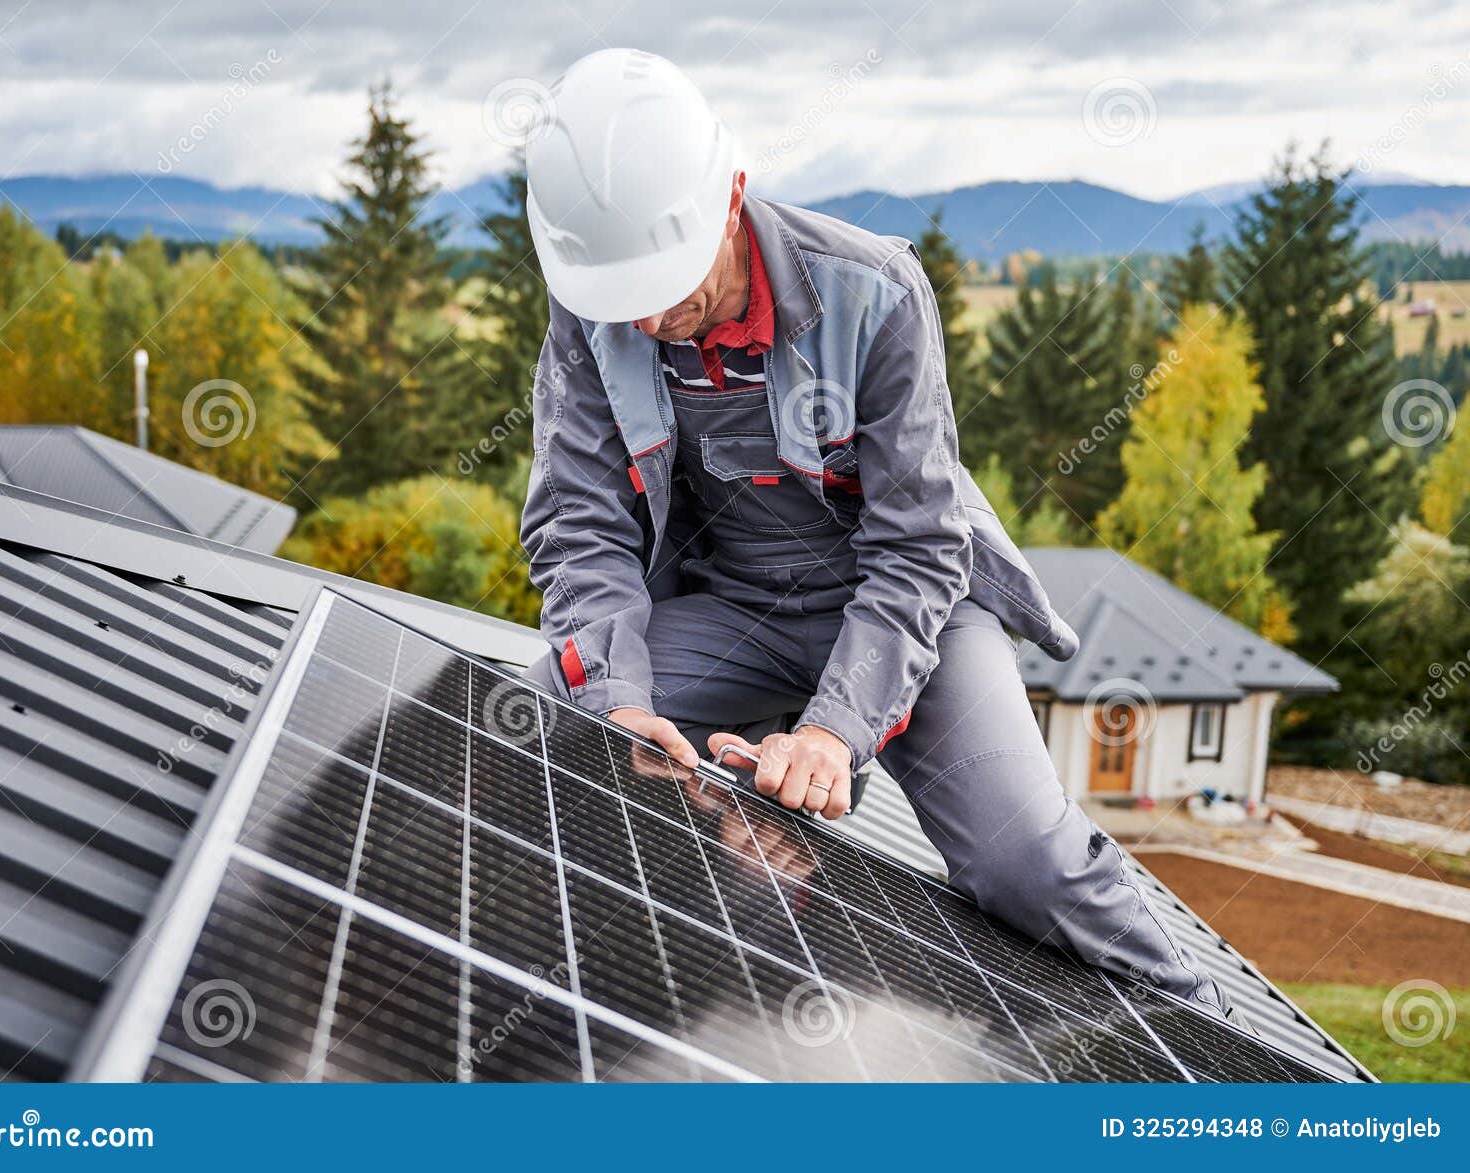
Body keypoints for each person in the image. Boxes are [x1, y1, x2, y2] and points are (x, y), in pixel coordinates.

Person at [518, 48, 1244, 1029]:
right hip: (735, 609)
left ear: (731, 195)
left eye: (668, 281)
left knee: (1022, 860)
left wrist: (834, 729)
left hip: (909, 612)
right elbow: (578, 520)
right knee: (549, 725)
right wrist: (615, 700)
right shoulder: (593, 300)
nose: (648, 317)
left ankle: (1212, 1040)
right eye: (624, 297)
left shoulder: (874, 292)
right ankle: (633, 1004)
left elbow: (918, 548)